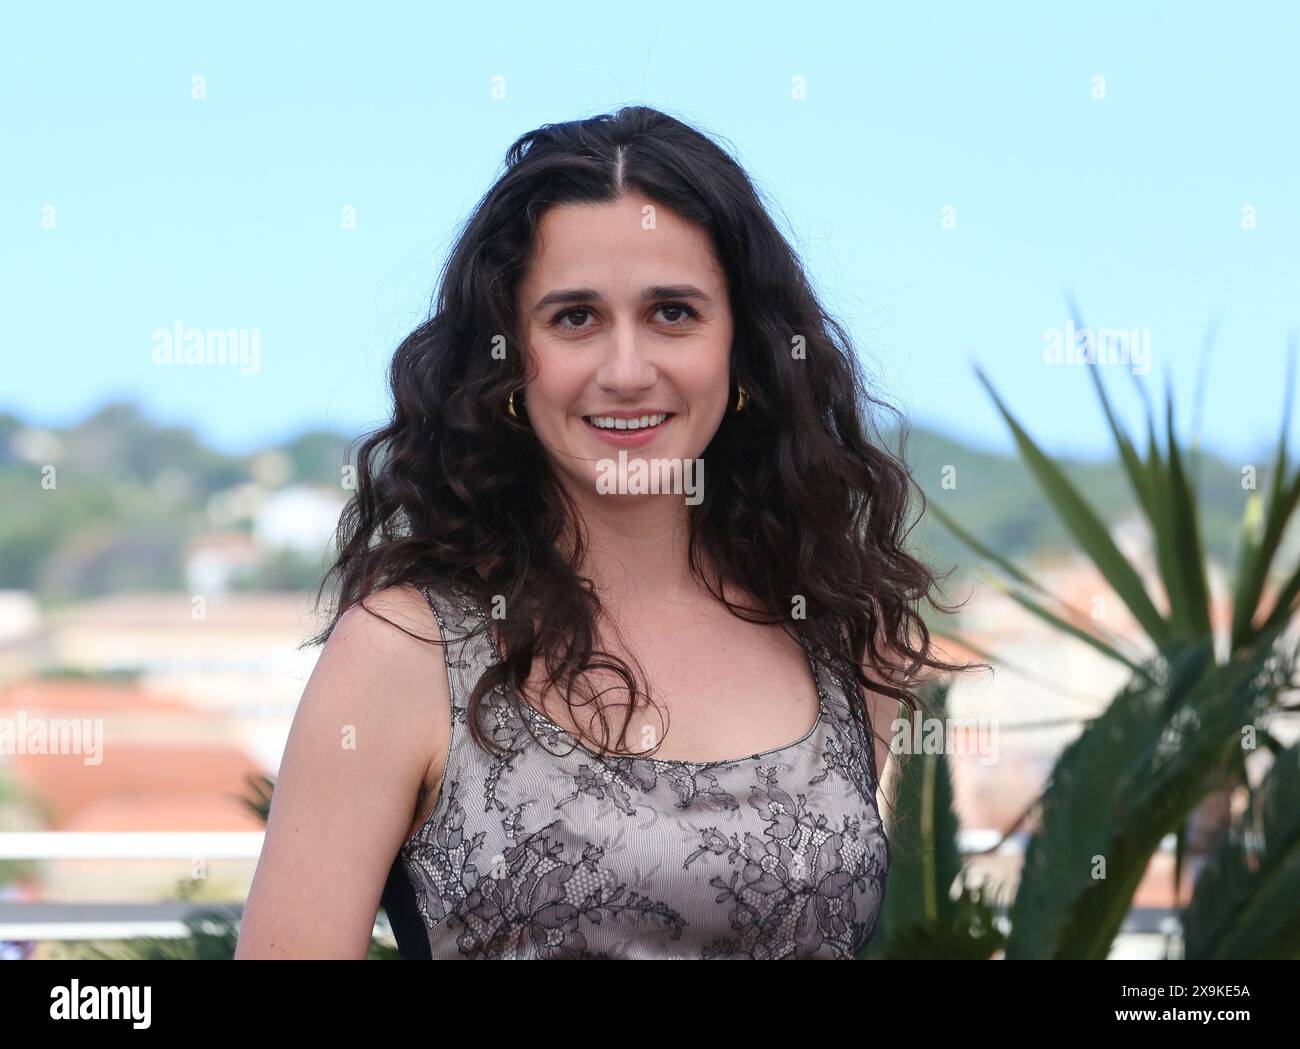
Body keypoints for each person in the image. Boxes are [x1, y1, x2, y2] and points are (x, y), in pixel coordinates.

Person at [236, 105, 966, 960]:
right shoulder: (403, 653)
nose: (626, 371)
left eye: (673, 313)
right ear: (510, 358)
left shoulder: (844, 644)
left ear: (743, 349)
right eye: (575, 318)